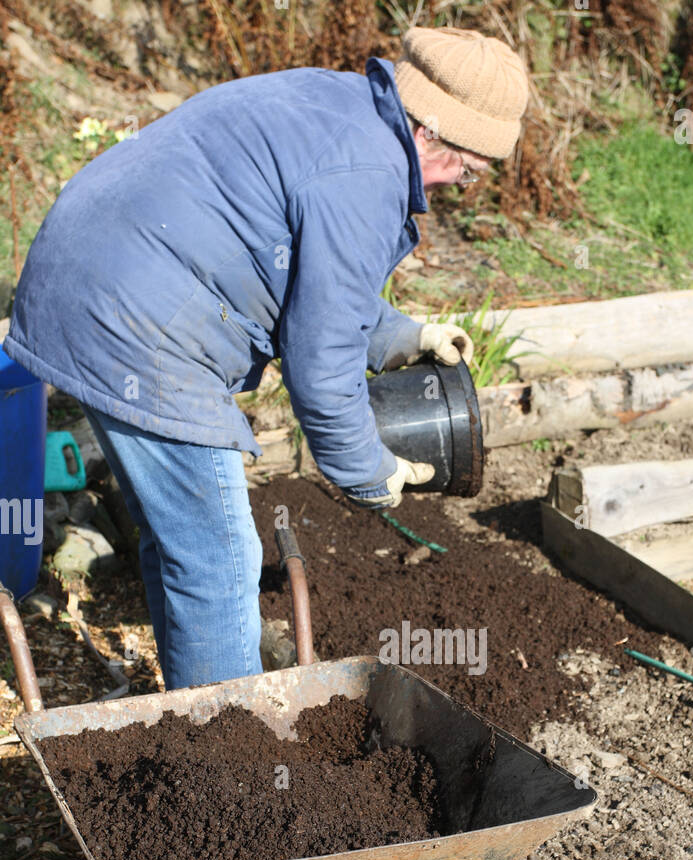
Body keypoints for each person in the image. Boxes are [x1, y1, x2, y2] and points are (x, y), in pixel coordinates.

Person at [2, 26, 529, 690]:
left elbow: (305, 279)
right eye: (466, 169)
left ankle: (189, 715)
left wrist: (403, 336)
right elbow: (320, 357)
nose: (457, 185)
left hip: (84, 280)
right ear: (431, 132)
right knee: (220, 559)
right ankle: (225, 758)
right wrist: (368, 469)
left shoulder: (340, 104)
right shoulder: (369, 172)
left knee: (180, 538)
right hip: (137, 324)